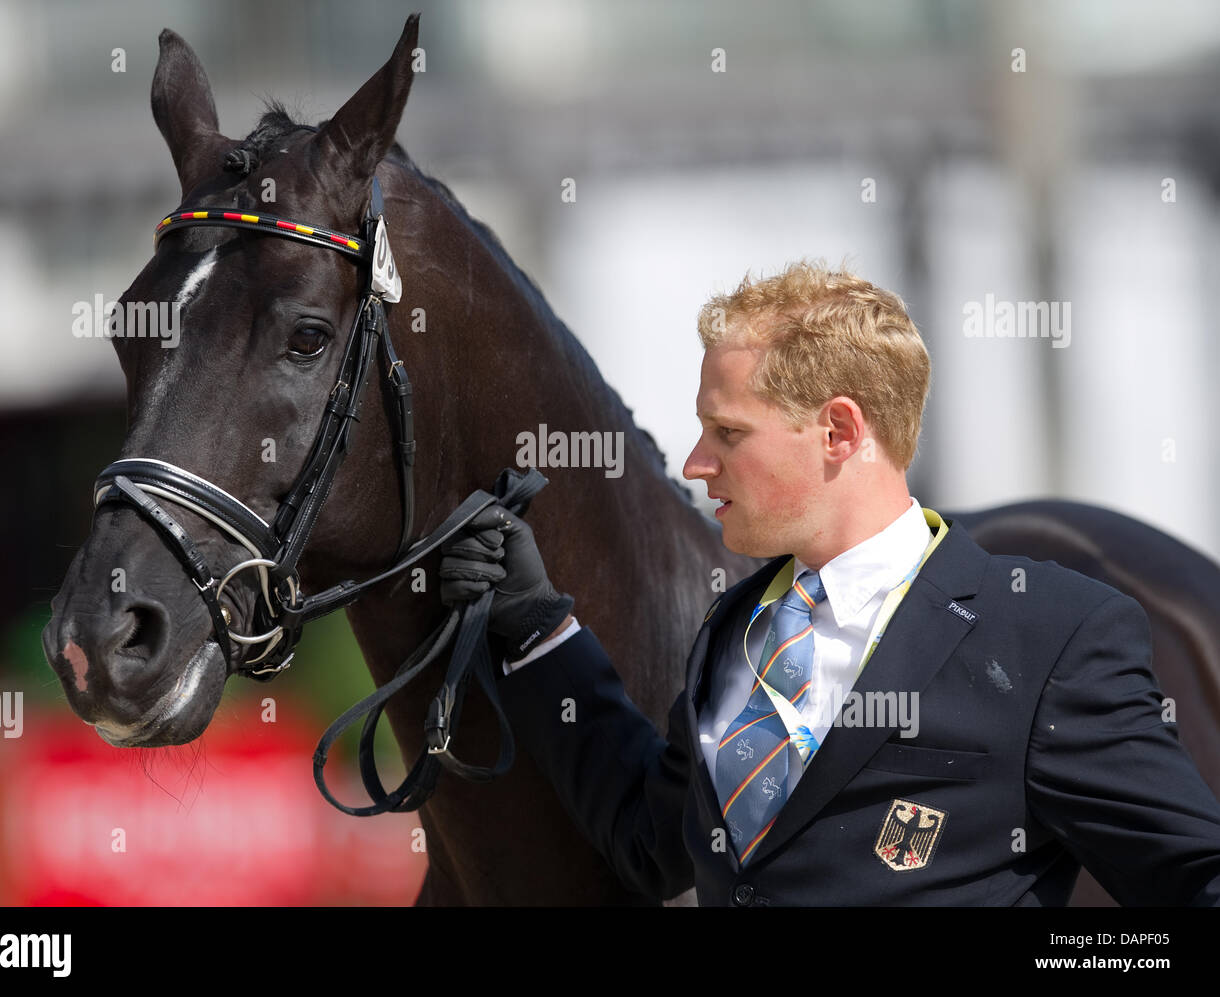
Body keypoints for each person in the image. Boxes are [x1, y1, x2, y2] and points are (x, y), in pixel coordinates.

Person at [440, 260, 1220, 906]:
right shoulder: (732, 630)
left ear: (840, 432)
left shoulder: (1051, 637)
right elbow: (651, 844)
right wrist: (539, 626)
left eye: (729, 433)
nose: (695, 464)